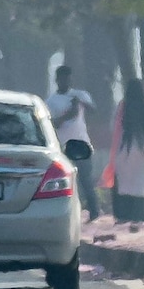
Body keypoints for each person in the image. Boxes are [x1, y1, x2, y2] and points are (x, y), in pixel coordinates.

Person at [46, 64, 100, 219]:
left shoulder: (80, 95)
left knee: (86, 180)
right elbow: (53, 124)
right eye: (63, 79)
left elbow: (93, 110)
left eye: (68, 79)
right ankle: (69, 212)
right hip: (63, 147)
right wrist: (69, 114)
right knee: (66, 182)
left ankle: (94, 211)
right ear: (57, 80)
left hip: (82, 142)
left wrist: (81, 103)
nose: (66, 82)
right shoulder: (51, 101)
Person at [110, 77, 144, 223]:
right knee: (142, 182)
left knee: (126, 182)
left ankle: (125, 215)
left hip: (126, 147)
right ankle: (140, 214)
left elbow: (114, 126)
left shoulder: (123, 106)